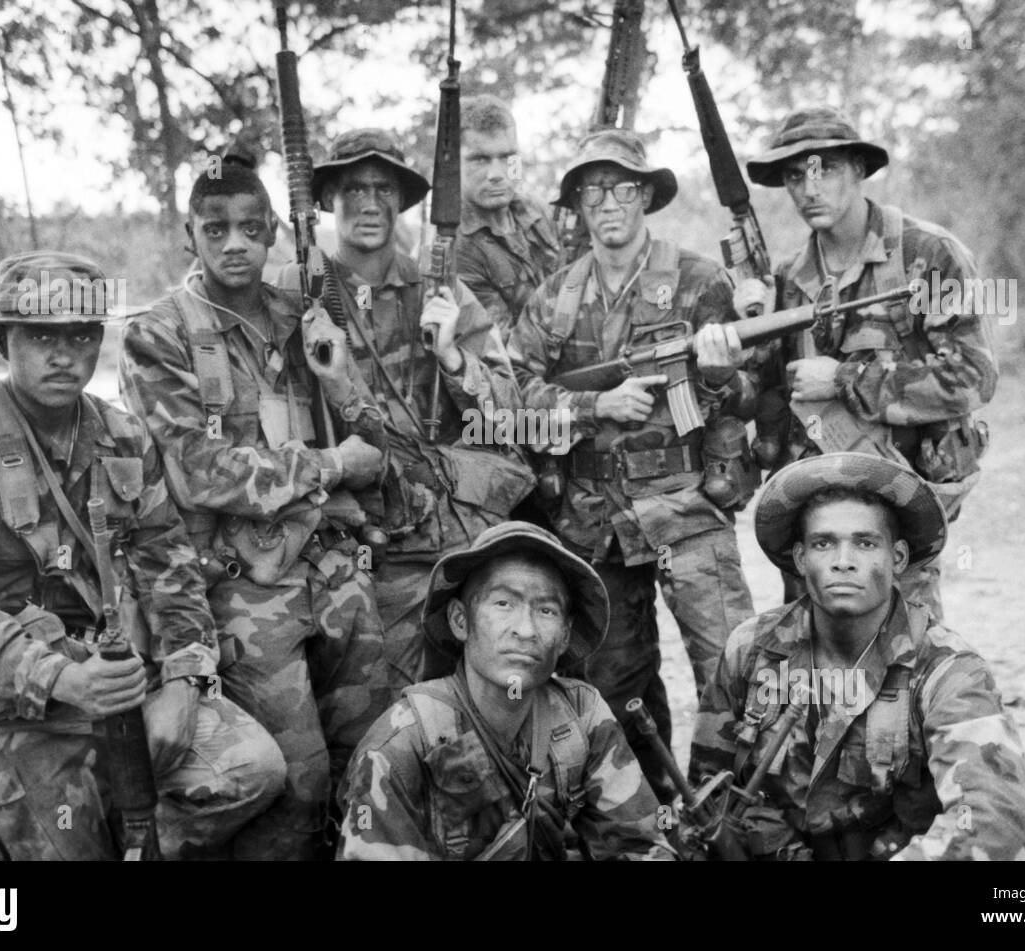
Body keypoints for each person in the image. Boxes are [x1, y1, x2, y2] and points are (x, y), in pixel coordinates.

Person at [0, 251, 286, 860]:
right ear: (4, 340)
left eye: (81, 335)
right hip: (20, 706)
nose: (63, 355)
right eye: (41, 337)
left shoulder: (123, 434)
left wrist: (184, 680)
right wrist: (62, 678)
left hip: (127, 678)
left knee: (254, 770)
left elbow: (170, 563)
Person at [120, 161, 389, 860]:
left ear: (273, 230)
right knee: (299, 783)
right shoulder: (159, 334)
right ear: (190, 237)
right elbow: (197, 472)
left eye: (249, 227)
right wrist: (327, 466)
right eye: (215, 230)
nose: (234, 243)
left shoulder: (304, 315)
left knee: (370, 761)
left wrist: (339, 375)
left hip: (333, 566)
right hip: (241, 584)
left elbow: (377, 445)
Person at [507, 129, 758, 803]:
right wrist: (594, 405)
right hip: (597, 524)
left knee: (733, 669)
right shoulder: (555, 298)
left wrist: (721, 374)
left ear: (645, 195)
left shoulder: (699, 280)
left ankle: (731, 815)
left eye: (622, 187)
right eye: (592, 191)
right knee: (615, 688)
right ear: (578, 204)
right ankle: (649, 819)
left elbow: (752, 394)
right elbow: (511, 397)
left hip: (688, 507)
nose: (608, 203)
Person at [689, 452, 1025, 861]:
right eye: (823, 544)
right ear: (801, 559)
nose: (843, 562)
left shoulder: (946, 669)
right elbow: (708, 786)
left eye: (865, 543)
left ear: (898, 558)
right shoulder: (751, 648)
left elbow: (995, 820)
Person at [295, 128, 531, 691]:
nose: (370, 203)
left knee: (512, 680)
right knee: (389, 706)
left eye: (384, 188)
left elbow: (511, 415)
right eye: (353, 189)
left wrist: (452, 356)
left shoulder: (440, 289)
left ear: (402, 199)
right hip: (367, 542)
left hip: (463, 534)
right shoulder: (298, 293)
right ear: (326, 199)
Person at [741, 107, 997, 618]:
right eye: (795, 176)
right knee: (812, 648)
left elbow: (972, 377)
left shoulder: (927, 254)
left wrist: (844, 378)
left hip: (899, 497)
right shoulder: (789, 278)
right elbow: (769, 396)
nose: (810, 189)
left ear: (859, 169)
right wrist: (738, 342)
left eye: (825, 170)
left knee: (906, 645)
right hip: (815, 508)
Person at [337, 520, 675, 861]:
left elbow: (640, 847)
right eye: (503, 604)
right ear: (460, 620)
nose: (525, 630)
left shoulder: (581, 715)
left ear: (565, 636)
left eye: (546, 610)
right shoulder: (400, 745)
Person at [455, 94, 561, 342]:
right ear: (455, 163)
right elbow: (503, 345)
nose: (496, 173)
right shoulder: (454, 246)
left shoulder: (537, 211)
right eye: (480, 159)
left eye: (507, 158)